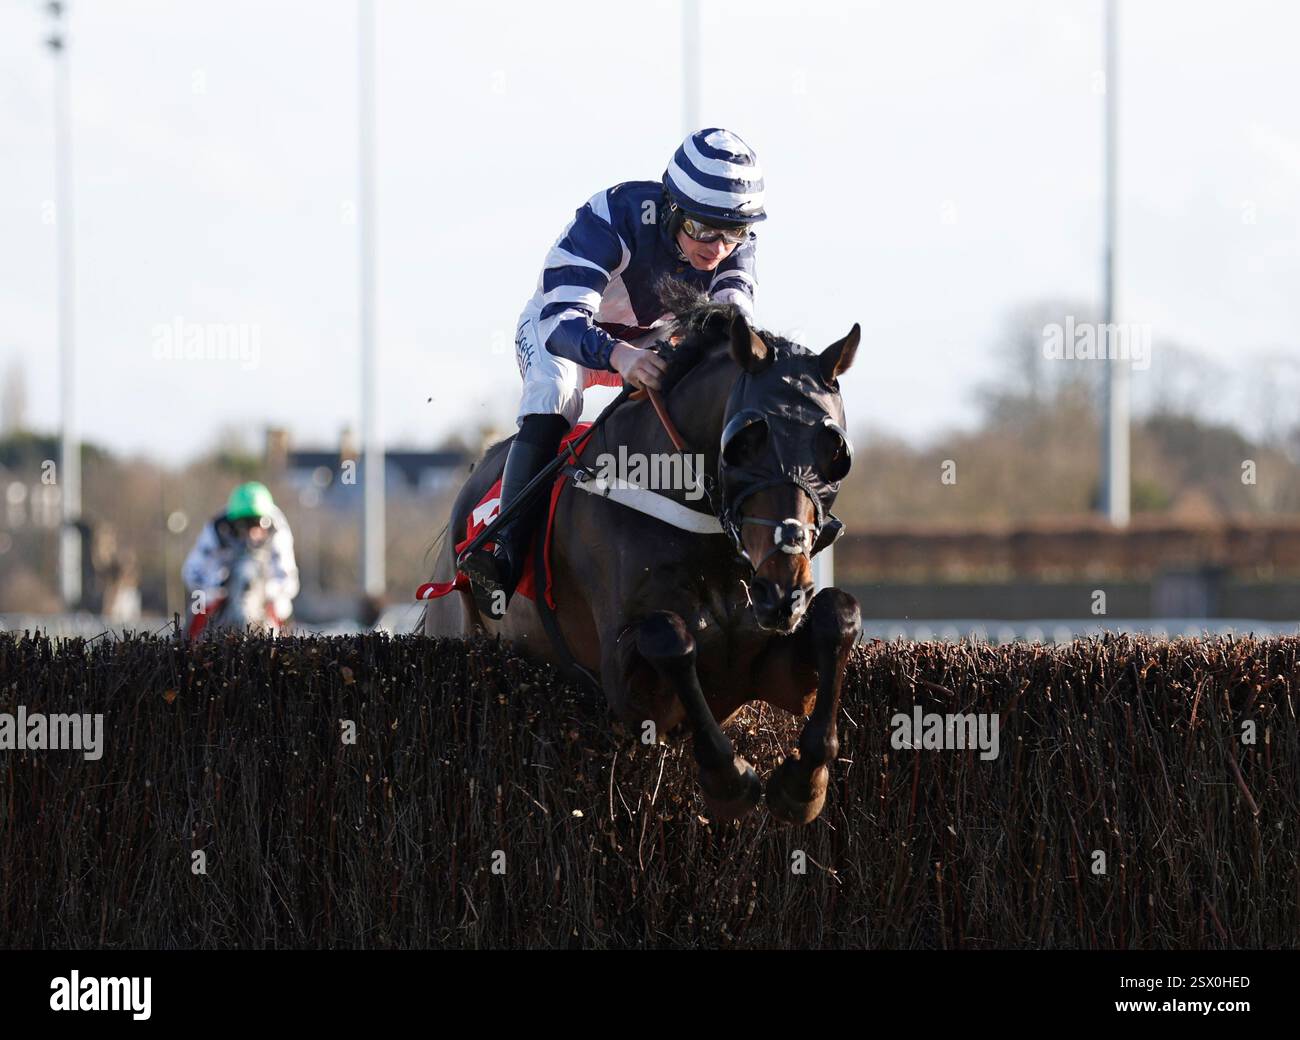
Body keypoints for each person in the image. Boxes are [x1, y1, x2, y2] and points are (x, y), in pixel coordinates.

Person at [460, 127, 765, 618]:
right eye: (703, 230)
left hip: (651, 338)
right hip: (563, 331)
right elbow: (562, 321)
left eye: (733, 233)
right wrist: (619, 357)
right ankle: (503, 549)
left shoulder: (734, 246)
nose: (716, 248)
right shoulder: (613, 216)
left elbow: (732, 334)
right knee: (557, 394)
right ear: (670, 208)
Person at [182, 481, 300, 630]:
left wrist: (268, 591)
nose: (251, 534)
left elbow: (289, 580)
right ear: (234, 522)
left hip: (266, 583)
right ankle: (187, 646)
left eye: (257, 523)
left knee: (282, 607)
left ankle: (288, 647)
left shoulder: (279, 530)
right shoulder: (217, 529)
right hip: (222, 580)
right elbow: (191, 571)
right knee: (201, 602)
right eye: (245, 525)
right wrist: (216, 587)